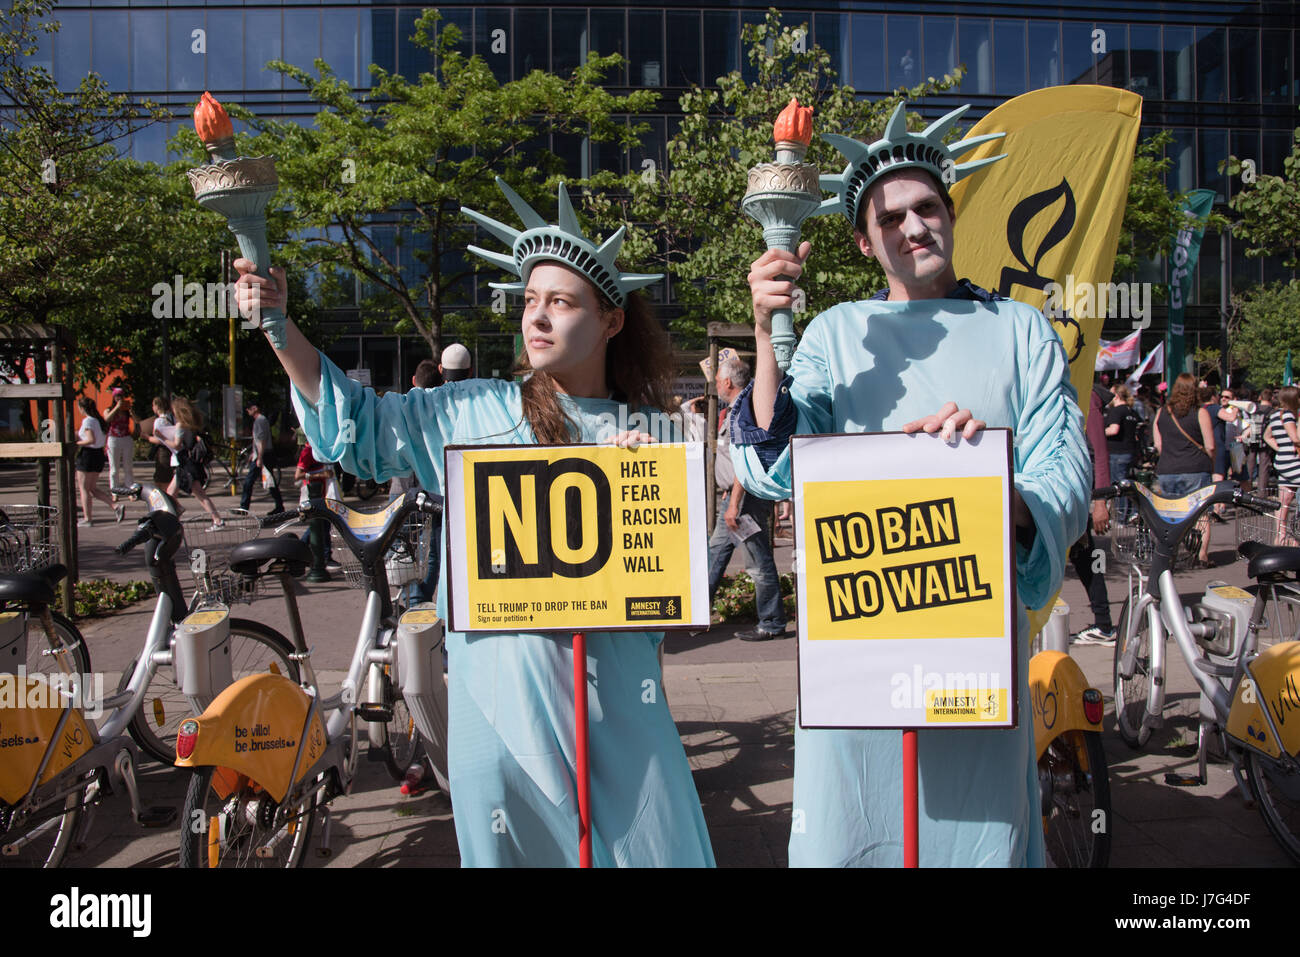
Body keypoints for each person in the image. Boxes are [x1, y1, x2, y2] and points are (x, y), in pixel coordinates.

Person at [232, 177, 714, 867]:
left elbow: (678, 589)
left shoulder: (657, 431)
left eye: (561, 301)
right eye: (530, 302)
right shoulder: (472, 409)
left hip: (620, 705)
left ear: (611, 321)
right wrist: (280, 327)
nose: (537, 317)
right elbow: (362, 428)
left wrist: (644, 484)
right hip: (500, 700)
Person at [735, 102, 1090, 867]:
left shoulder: (1022, 329)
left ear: (951, 215)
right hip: (858, 649)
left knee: (979, 844)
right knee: (854, 836)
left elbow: (1066, 466)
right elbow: (774, 463)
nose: (914, 226)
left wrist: (993, 486)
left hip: (973, 653)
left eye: (927, 206)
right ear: (866, 242)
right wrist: (766, 337)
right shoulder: (832, 331)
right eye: (891, 218)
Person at [703, 354, 786, 641]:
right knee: (715, 555)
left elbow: (746, 460)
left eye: (715, 380)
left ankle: (772, 622)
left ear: (726, 381)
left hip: (744, 499)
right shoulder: (739, 408)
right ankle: (698, 616)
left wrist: (734, 503)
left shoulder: (744, 410)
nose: (714, 384)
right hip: (736, 498)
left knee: (757, 560)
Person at [1070, 381, 1116, 646]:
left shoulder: (1087, 397)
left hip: (1079, 494)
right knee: (1085, 559)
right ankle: (1103, 622)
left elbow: (1099, 452)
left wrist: (1100, 501)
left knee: (1088, 558)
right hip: (1068, 490)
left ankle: (1104, 623)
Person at [1153, 373, 1215, 565]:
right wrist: (1211, 462)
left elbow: (1158, 445)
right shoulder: (1200, 412)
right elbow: (1210, 446)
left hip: (1168, 469)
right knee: (1201, 513)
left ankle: (1170, 553)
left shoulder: (1162, 412)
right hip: (1196, 468)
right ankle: (1201, 555)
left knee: (1172, 514)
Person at [150, 395, 224, 529]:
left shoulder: (180, 425)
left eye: (173, 409)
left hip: (185, 464)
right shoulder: (191, 425)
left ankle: (217, 520)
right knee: (171, 492)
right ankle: (172, 518)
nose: (172, 412)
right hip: (188, 463)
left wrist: (161, 437)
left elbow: (177, 445)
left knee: (198, 494)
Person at [1265, 386, 1300, 546]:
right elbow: (1295, 437)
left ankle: (1280, 536)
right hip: (1293, 462)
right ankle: (1291, 537)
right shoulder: (1287, 415)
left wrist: (1281, 449)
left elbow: (1267, 436)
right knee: (1286, 501)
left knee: (1283, 501)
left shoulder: (1276, 415)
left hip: (1283, 461)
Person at [74, 396, 116, 526]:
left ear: (81, 408)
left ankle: (88, 518)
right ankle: (115, 506)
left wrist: (76, 443)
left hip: (88, 455)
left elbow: (90, 439)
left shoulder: (88, 421)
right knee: (92, 488)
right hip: (98, 454)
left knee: (84, 488)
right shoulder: (99, 420)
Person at [238, 402, 286, 516]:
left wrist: (259, 457)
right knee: (270, 481)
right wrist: (253, 453)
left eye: (249, 409)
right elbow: (257, 439)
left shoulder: (260, 421)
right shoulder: (261, 420)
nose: (248, 412)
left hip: (263, 455)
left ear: (254, 408)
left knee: (249, 482)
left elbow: (262, 440)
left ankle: (244, 507)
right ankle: (279, 506)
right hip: (263, 454)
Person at [1104, 383, 1141, 523]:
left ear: (1117, 396)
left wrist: (1098, 433)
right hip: (1129, 452)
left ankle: (1120, 518)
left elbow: (1114, 429)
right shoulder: (1131, 411)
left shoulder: (1117, 411)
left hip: (1117, 452)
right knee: (1128, 484)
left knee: (1119, 487)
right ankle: (1131, 513)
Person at [104, 386, 135, 510]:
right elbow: (107, 419)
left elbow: (137, 421)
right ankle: (115, 492)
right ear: (114, 397)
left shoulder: (127, 409)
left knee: (128, 466)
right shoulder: (109, 409)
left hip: (126, 438)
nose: (119, 398)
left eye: (121, 396)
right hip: (114, 438)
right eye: (117, 396)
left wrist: (132, 412)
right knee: (114, 468)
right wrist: (117, 407)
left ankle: (130, 491)